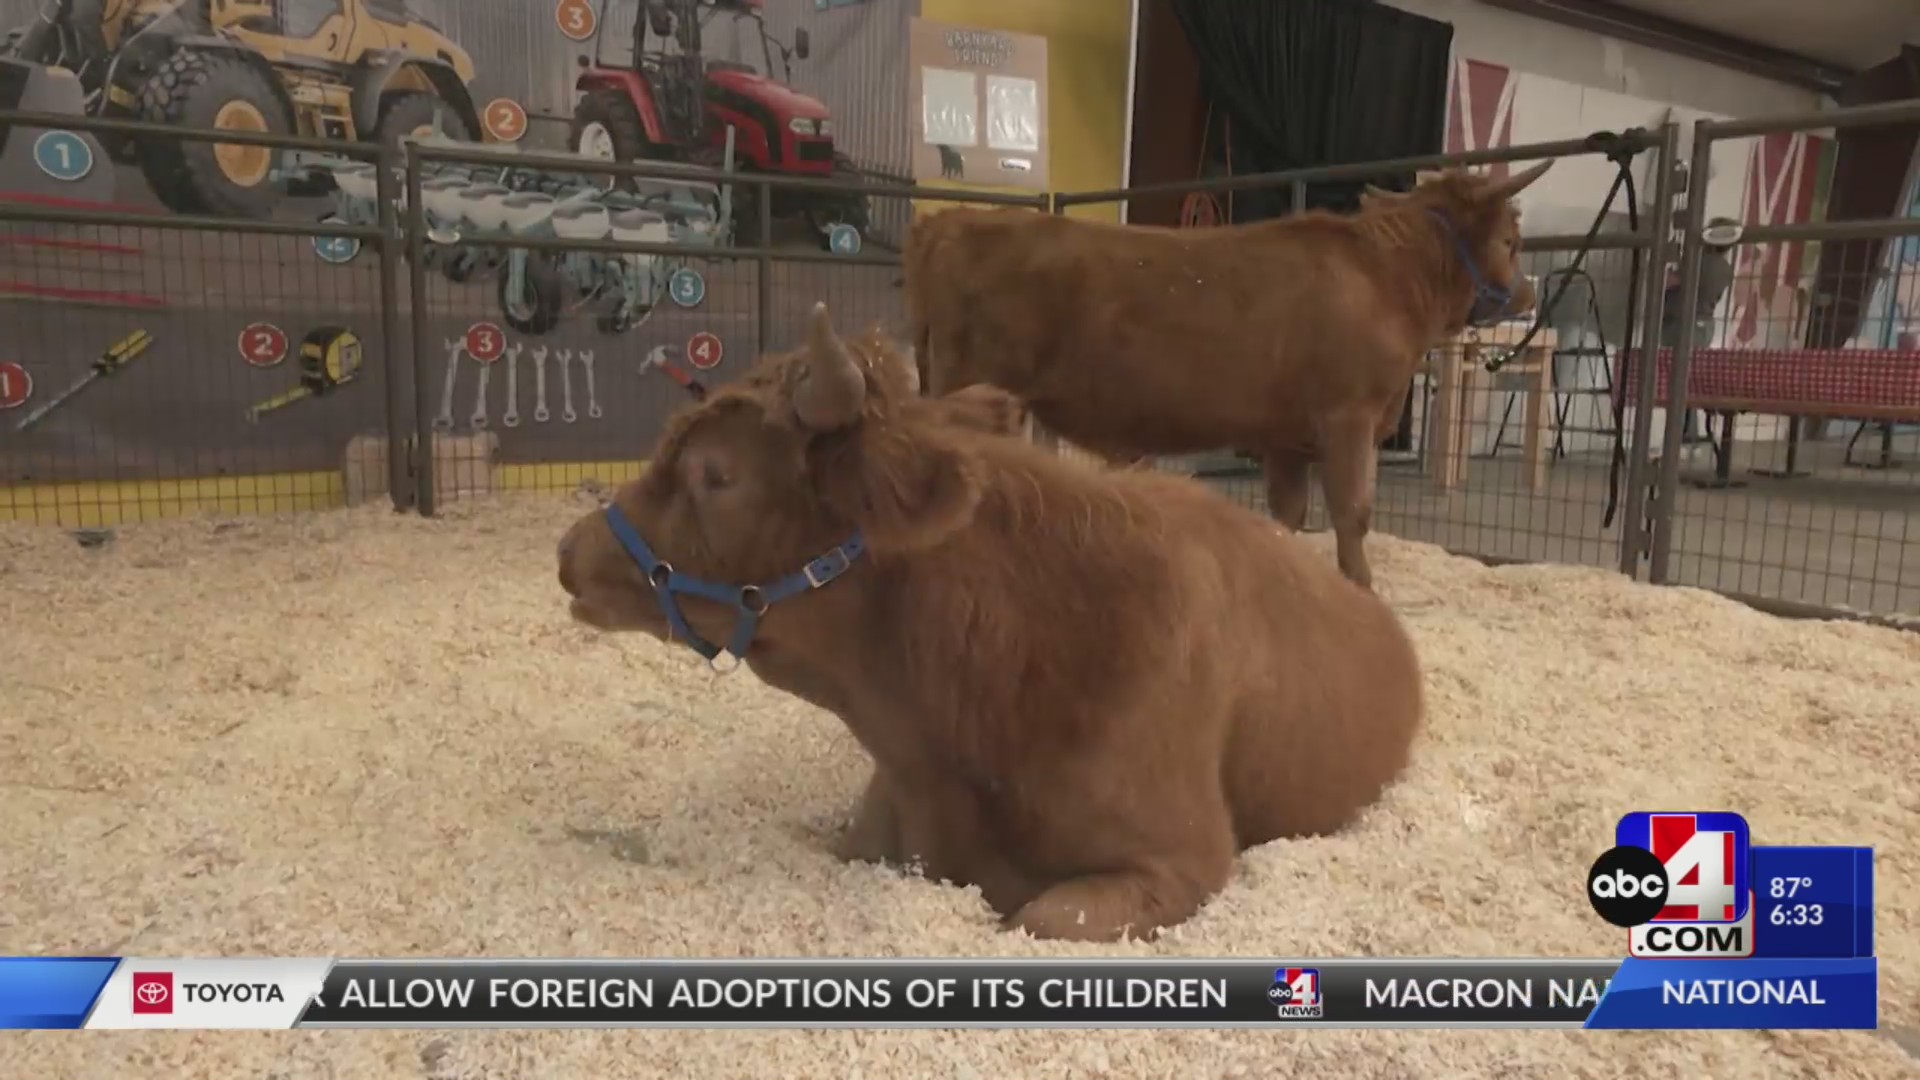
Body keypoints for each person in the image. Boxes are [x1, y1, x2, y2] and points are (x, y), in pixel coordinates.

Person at [1661, 217, 1738, 442]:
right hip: (1704, 324)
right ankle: (1687, 432)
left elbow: (1668, 281)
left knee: (1678, 379)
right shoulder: (1725, 268)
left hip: (1682, 324)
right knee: (1686, 377)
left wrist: (1666, 261)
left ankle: (1684, 433)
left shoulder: (1697, 261)